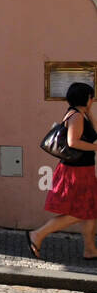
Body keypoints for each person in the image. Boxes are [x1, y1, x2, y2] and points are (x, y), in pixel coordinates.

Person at [29, 82, 97, 260]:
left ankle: (90, 249)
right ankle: (38, 234)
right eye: (91, 96)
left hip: (84, 170)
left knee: (91, 210)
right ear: (85, 98)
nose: (93, 99)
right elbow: (73, 142)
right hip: (77, 172)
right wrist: (95, 148)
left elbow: (95, 134)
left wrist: (89, 113)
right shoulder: (76, 117)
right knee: (80, 212)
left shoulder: (81, 114)